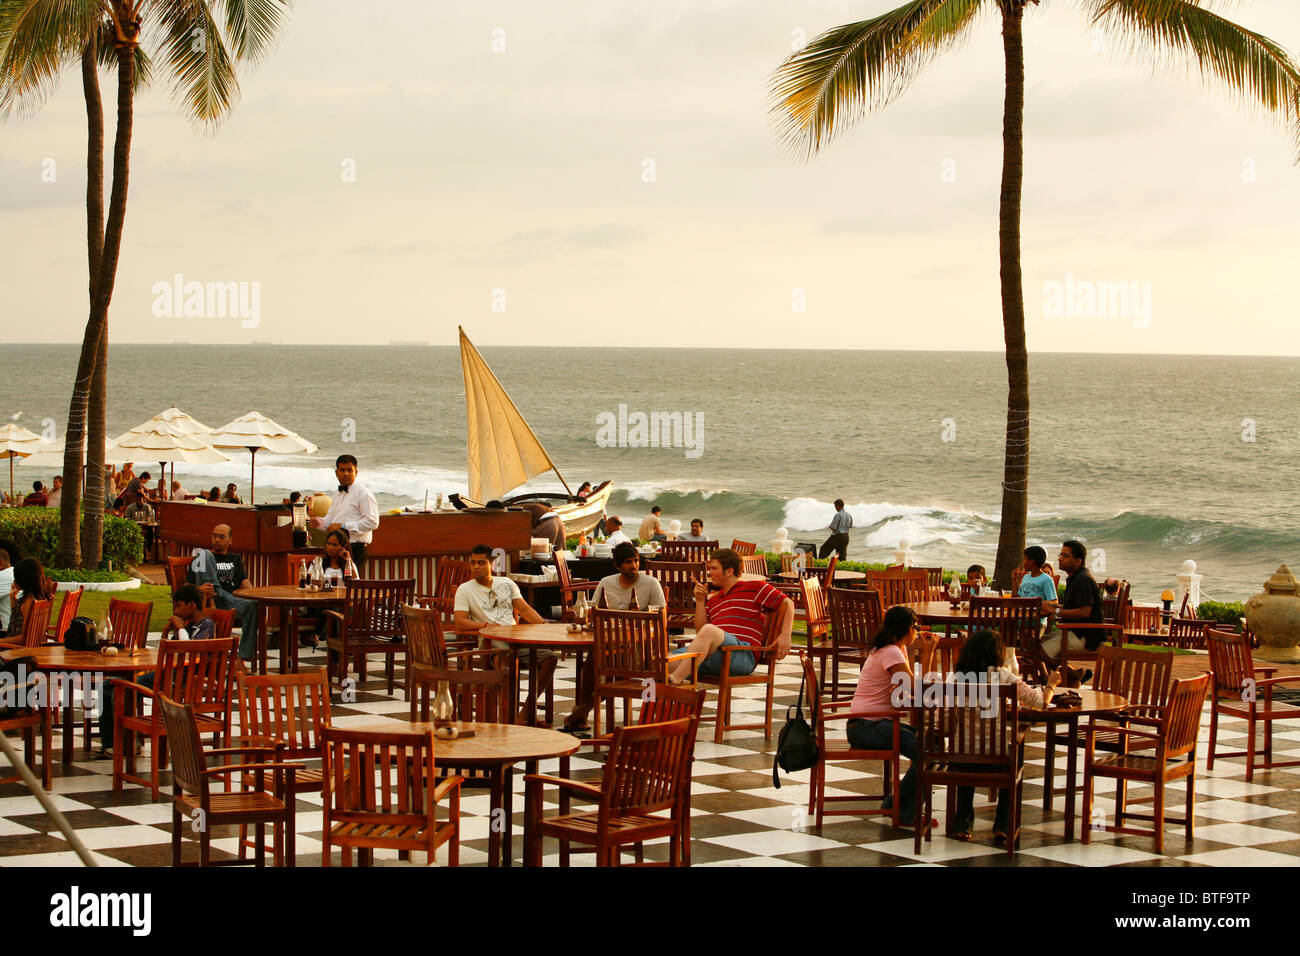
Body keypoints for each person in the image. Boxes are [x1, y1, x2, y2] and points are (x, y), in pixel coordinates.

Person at [948, 628, 1060, 845]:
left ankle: (963, 824)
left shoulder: (957, 678)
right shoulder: (1003, 676)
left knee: (966, 750)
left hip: (961, 757)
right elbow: (1040, 702)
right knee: (1015, 753)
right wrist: (1051, 684)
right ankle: (1003, 824)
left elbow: (946, 716)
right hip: (996, 758)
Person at [561, 542, 669, 735]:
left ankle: (581, 711)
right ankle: (582, 713)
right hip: (611, 645)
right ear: (617, 565)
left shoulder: (651, 584)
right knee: (593, 659)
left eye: (636, 561)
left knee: (606, 665)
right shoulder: (606, 583)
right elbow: (593, 613)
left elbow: (661, 619)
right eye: (628, 562)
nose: (634, 566)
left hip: (642, 649)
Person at [846, 605, 936, 829]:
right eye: (915, 627)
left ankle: (898, 805)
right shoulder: (892, 652)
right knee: (928, 751)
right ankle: (901, 809)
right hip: (868, 727)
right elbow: (917, 689)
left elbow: (911, 690)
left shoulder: (891, 649)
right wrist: (929, 652)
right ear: (906, 628)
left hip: (869, 725)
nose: (917, 631)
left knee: (932, 744)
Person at [99, 583, 214, 756]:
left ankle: (128, 744)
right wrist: (166, 633)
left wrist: (181, 629)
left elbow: (189, 652)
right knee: (108, 686)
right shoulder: (186, 625)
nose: (176, 611)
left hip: (180, 678)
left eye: (178, 606)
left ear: (191, 604)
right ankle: (110, 744)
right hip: (166, 673)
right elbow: (166, 652)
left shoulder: (206, 625)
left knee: (124, 688)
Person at [453, 543, 555, 723]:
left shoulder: (506, 583)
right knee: (505, 658)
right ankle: (509, 714)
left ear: (491, 564)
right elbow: (460, 622)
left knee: (550, 658)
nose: (476, 567)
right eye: (473, 563)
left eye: (481, 563)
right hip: (491, 640)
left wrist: (544, 626)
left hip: (515, 638)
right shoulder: (465, 589)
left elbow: (525, 609)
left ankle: (526, 712)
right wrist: (485, 625)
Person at [668, 548, 792, 685]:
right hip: (716, 653)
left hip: (742, 654)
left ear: (729, 571)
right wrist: (700, 601)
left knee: (709, 631)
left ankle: (676, 679)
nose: (710, 572)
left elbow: (788, 603)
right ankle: (672, 690)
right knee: (663, 663)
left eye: (714, 568)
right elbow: (701, 633)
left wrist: (785, 634)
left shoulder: (755, 587)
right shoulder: (714, 599)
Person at [186, 523, 259, 661]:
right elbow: (187, 587)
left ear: (230, 540)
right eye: (214, 536)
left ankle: (243, 657)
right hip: (208, 601)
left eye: (221, 537)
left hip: (230, 601)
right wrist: (200, 589)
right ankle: (216, 590)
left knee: (253, 605)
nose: (217, 540)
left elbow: (244, 582)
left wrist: (254, 594)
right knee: (204, 553)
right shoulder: (202, 558)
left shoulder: (235, 559)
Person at [1040, 540, 1104, 660]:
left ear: (1078, 561)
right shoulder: (1076, 577)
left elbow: (1084, 612)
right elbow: (1073, 607)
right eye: (1060, 554)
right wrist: (1052, 606)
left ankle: (1063, 671)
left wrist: (1056, 611)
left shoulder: (1083, 580)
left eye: (1065, 556)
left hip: (1085, 637)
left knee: (1040, 650)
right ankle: (1067, 671)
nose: (1060, 559)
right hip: (1074, 632)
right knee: (1037, 644)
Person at [317, 454, 379, 566]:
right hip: (336, 549)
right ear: (336, 473)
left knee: (350, 577)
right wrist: (319, 523)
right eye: (342, 470)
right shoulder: (336, 494)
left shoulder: (364, 493)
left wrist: (343, 526)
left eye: (349, 470)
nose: (346, 473)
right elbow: (331, 518)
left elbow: (372, 522)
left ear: (356, 472)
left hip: (356, 548)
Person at [4, 557, 56, 638]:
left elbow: (25, 637)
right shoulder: (41, 598)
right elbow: (17, 623)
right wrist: (13, 600)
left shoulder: (29, 602)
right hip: (19, 642)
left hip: (14, 645)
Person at [1015, 546, 1058, 616]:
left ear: (1031, 561)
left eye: (1024, 559)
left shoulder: (1046, 579)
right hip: (1021, 617)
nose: (1023, 562)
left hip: (1037, 619)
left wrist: (1037, 603)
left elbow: (1055, 603)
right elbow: (1017, 598)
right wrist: (1014, 579)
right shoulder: (1025, 577)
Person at [0, 547, 14, 632]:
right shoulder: (16, 573)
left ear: (0, 563)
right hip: (28, 632)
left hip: (7, 631)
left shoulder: (2, 576)